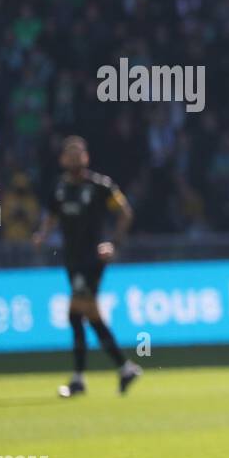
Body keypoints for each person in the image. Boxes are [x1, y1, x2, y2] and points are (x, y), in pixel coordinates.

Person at [32, 136, 143, 397]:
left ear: (86, 158)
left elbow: (126, 212)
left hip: (92, 260)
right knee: (90, 316)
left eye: (78, 154)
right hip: (71, 260)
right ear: (62, 159)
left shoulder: (100, 186)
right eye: (69, 154)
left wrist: (114, 243)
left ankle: (79, 380)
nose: (74, 158)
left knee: (75, 314)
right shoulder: (59, 188)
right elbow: (51, 216)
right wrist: (42, 235)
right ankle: (125, 368)